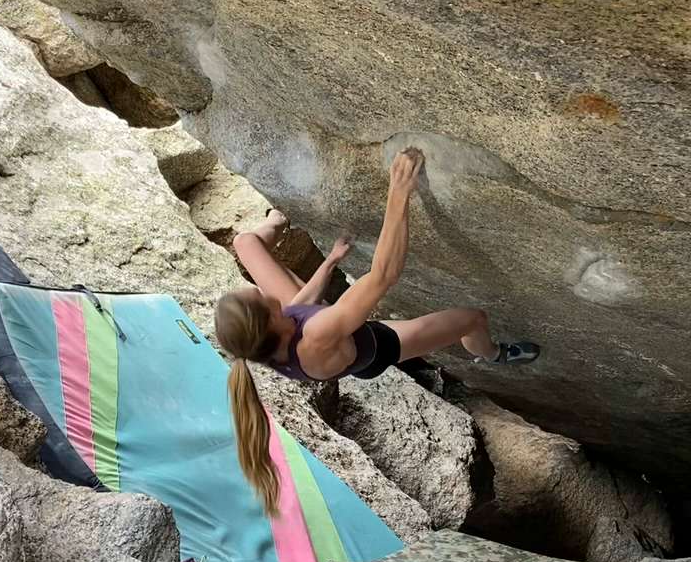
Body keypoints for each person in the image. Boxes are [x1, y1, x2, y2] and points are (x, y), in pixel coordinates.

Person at [215, 147, 539, 514]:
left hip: (324, 332)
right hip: (377, 347)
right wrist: (400, 190)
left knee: (245, 243)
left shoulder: (266, 342)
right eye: (258, 299)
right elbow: (384, 275)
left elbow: (296, 307)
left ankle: (278, 216)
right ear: (270, 322)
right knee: (473, 319)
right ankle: (492, 353)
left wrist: (330, 262)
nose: (259, 291)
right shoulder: (316, 333)